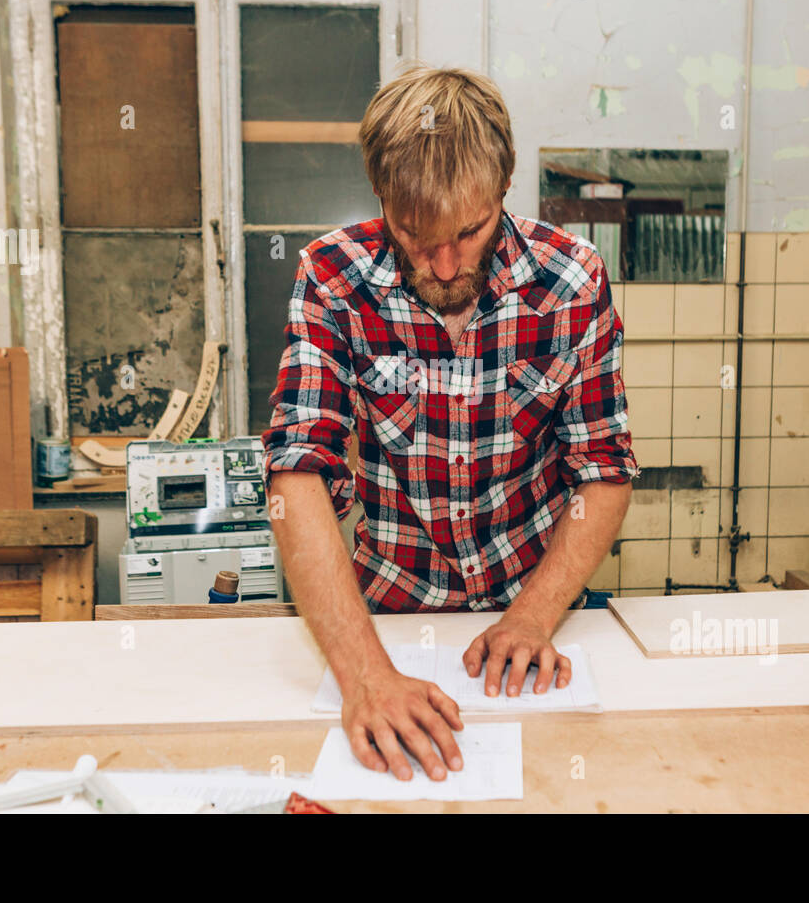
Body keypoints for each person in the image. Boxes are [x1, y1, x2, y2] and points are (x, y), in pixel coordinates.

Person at [263, 64, 636, 781]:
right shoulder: (332, 279)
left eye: (468, 231)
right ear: (381, 198)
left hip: (541, 612)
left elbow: (603, 469)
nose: (442, 263)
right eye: (414, 233)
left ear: (504, 189)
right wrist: (365, 674)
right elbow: (297, 472)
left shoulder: (572, 281)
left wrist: (531, 617)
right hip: (391, 618)